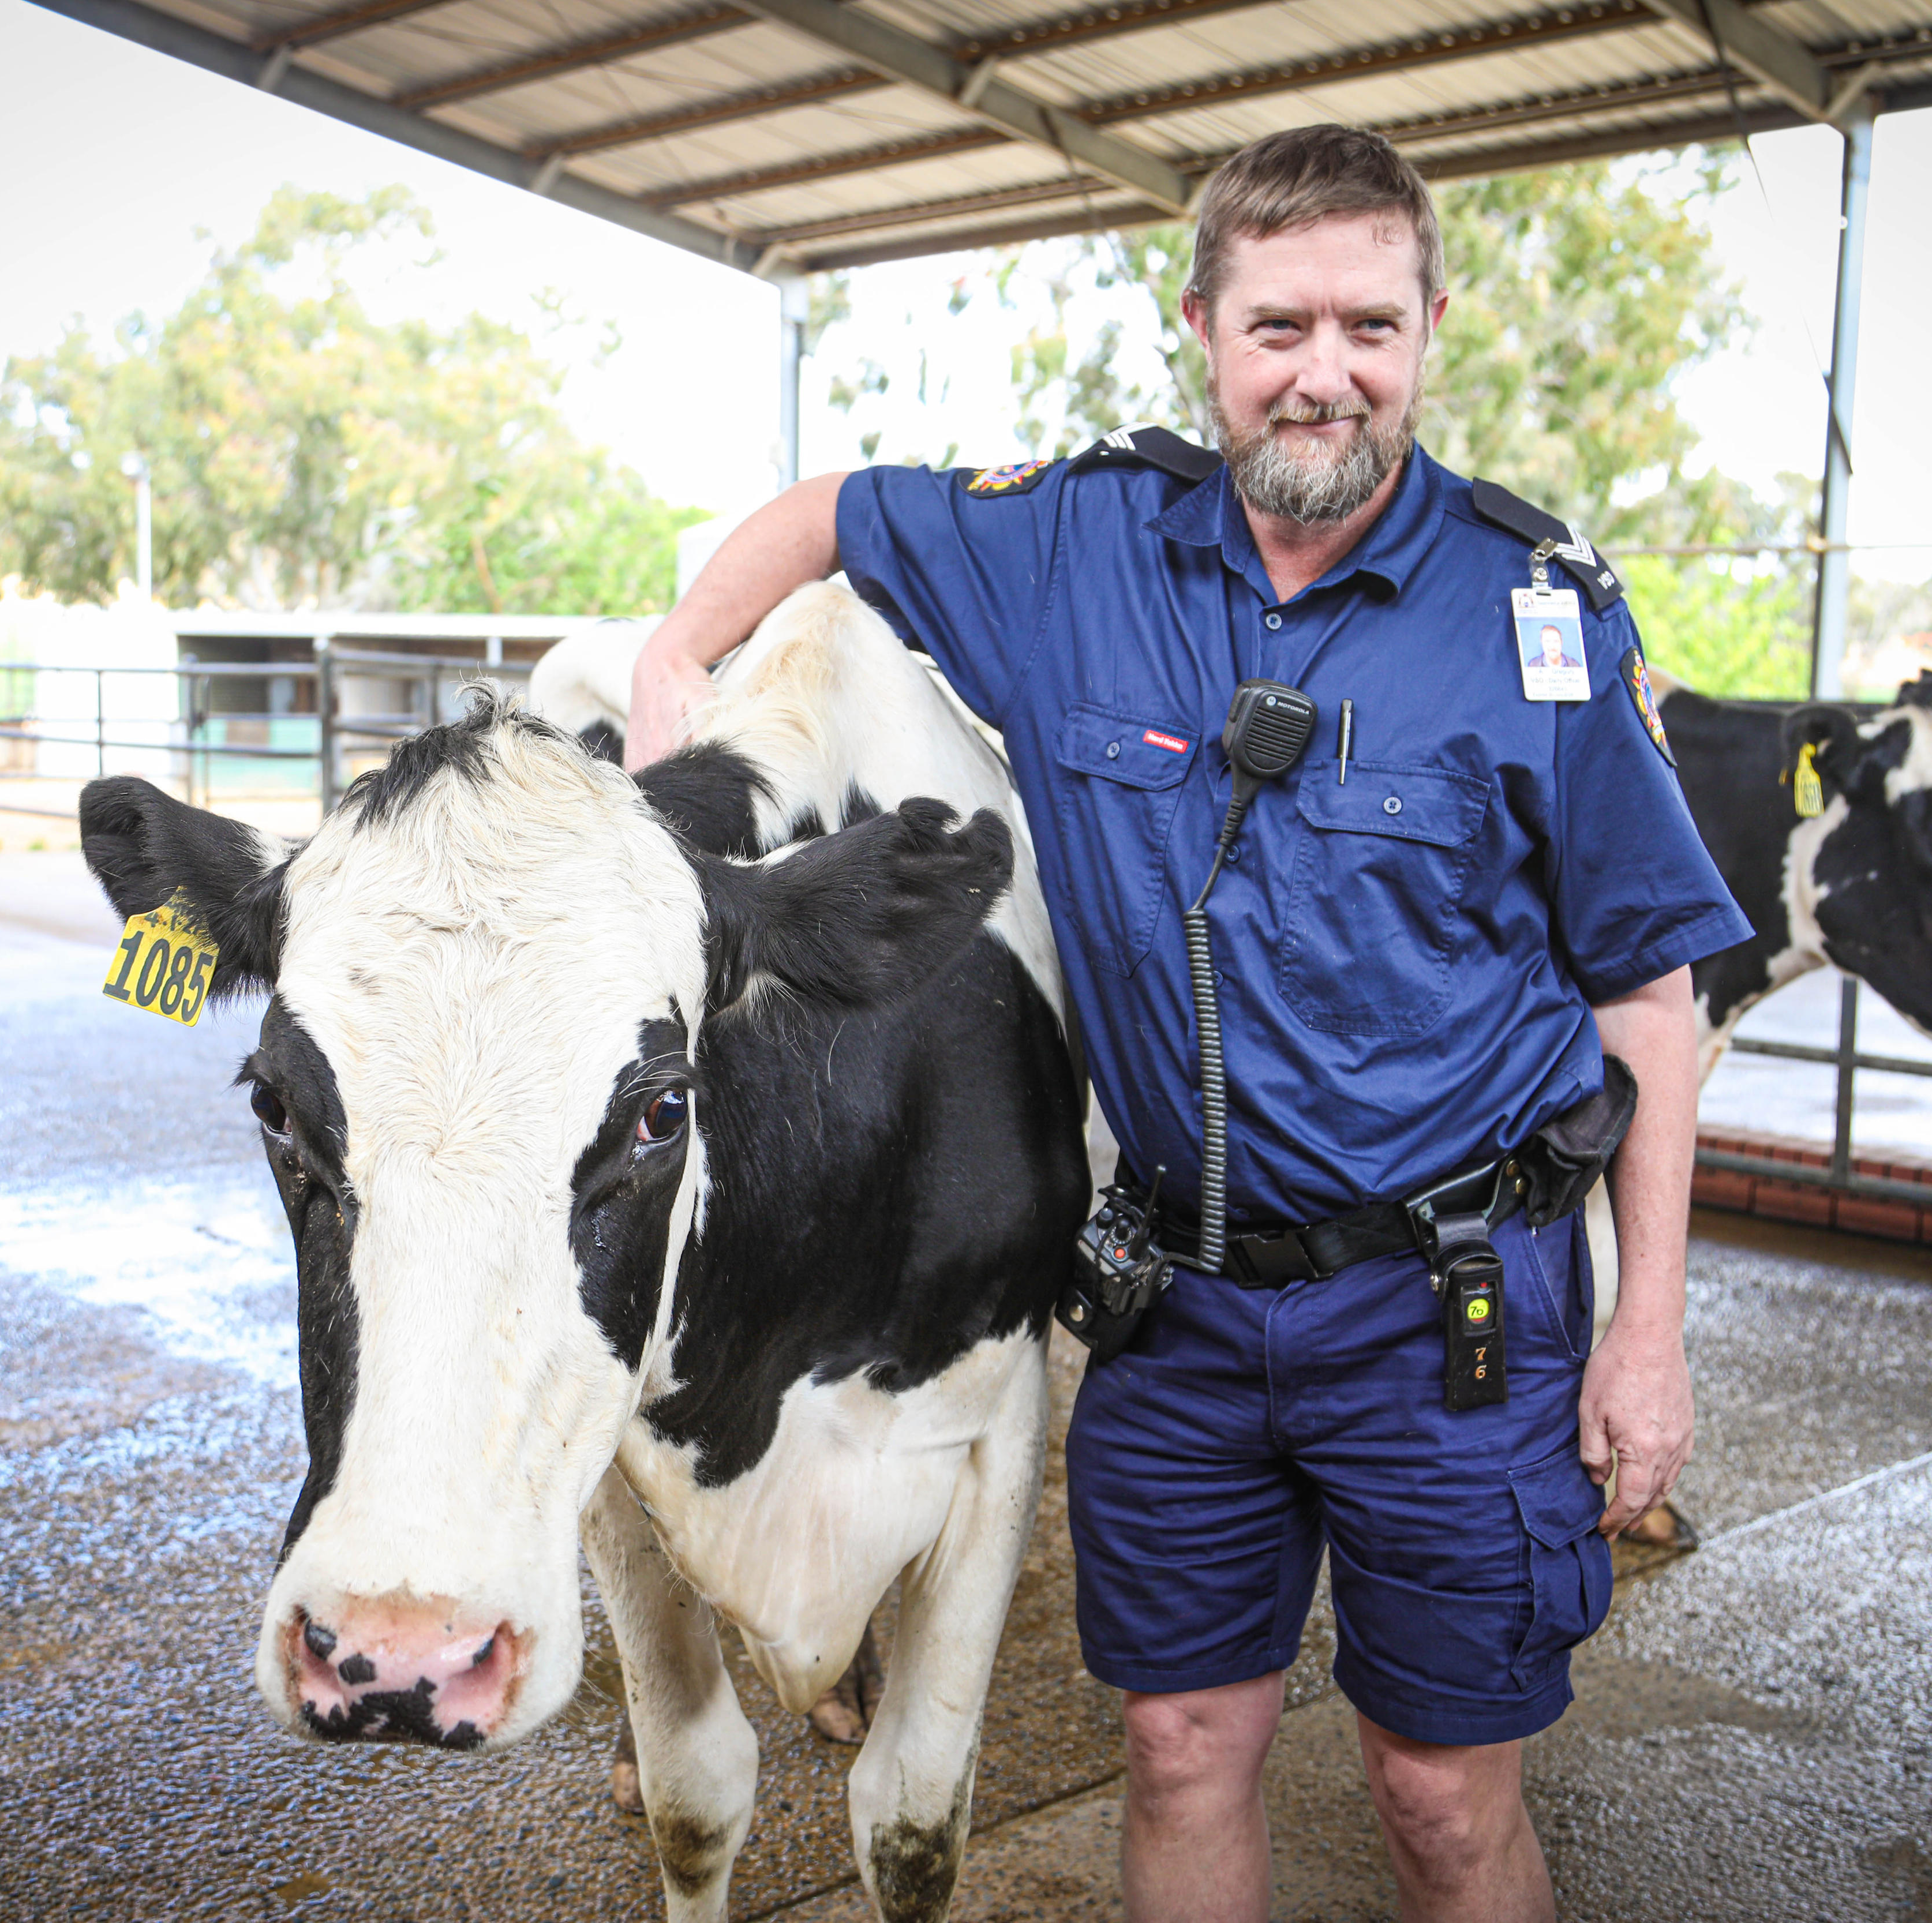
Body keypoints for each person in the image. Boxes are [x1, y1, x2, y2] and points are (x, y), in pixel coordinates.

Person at [625, 124, 1751, 1923]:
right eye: (1283, 326)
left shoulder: (1535, 617)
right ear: (1206, 331)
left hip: (1449, 1320)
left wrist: (1650, 1340)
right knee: (1177, 1753)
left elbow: (1651, 997)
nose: (1329, 374)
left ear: (1431, 326)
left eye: (1373, 328)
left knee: (1441, 1796)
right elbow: (834, 512)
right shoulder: (1071, 547)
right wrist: (679, 654)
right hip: (1180, 1316)